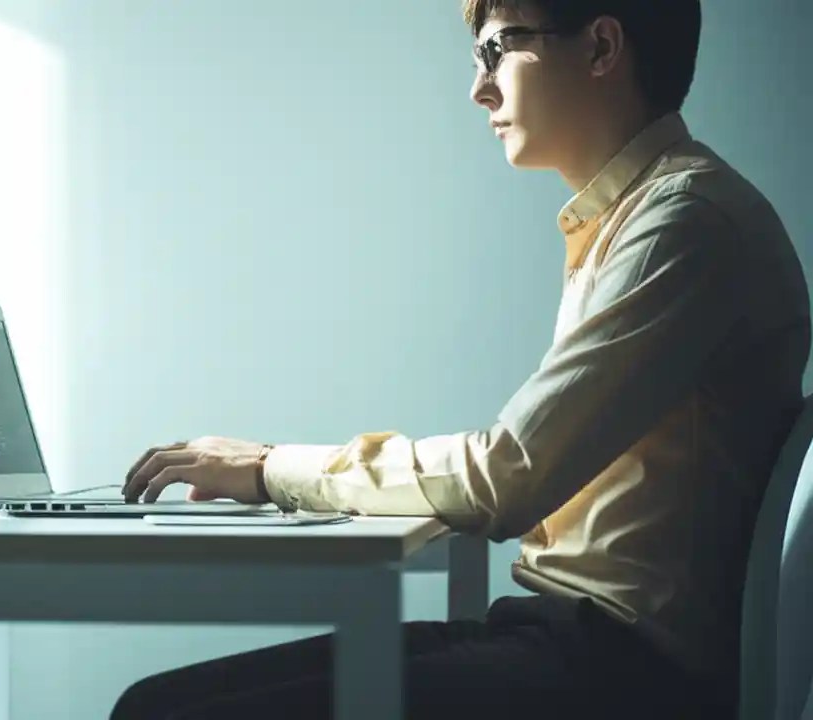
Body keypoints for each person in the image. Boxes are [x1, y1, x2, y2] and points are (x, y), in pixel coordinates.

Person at [111, 0, 812, 718]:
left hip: (620, 674)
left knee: (161, 714)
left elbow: (506, 475)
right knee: (153, 704)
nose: (479, 89)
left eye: (497, 50)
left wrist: (269, 469)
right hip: (567, 640)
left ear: (601, 48)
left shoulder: (682, 225)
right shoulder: (644, 217)